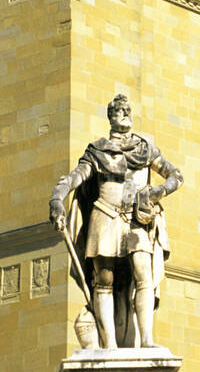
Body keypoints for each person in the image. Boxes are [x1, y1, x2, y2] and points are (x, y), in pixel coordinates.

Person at [49, 94, 183, 349]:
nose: (123, 114)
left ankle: (146, 341)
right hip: (105, 214)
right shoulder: (97, 151)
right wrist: (57, 201)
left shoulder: (145, 149)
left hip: (137, 220)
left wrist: (155, 193)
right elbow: (72, 179)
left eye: (126, 110)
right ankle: (108, 346)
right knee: (104, 278)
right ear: (110, 117)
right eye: (117, 111)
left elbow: (176, 176)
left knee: (143, 274)